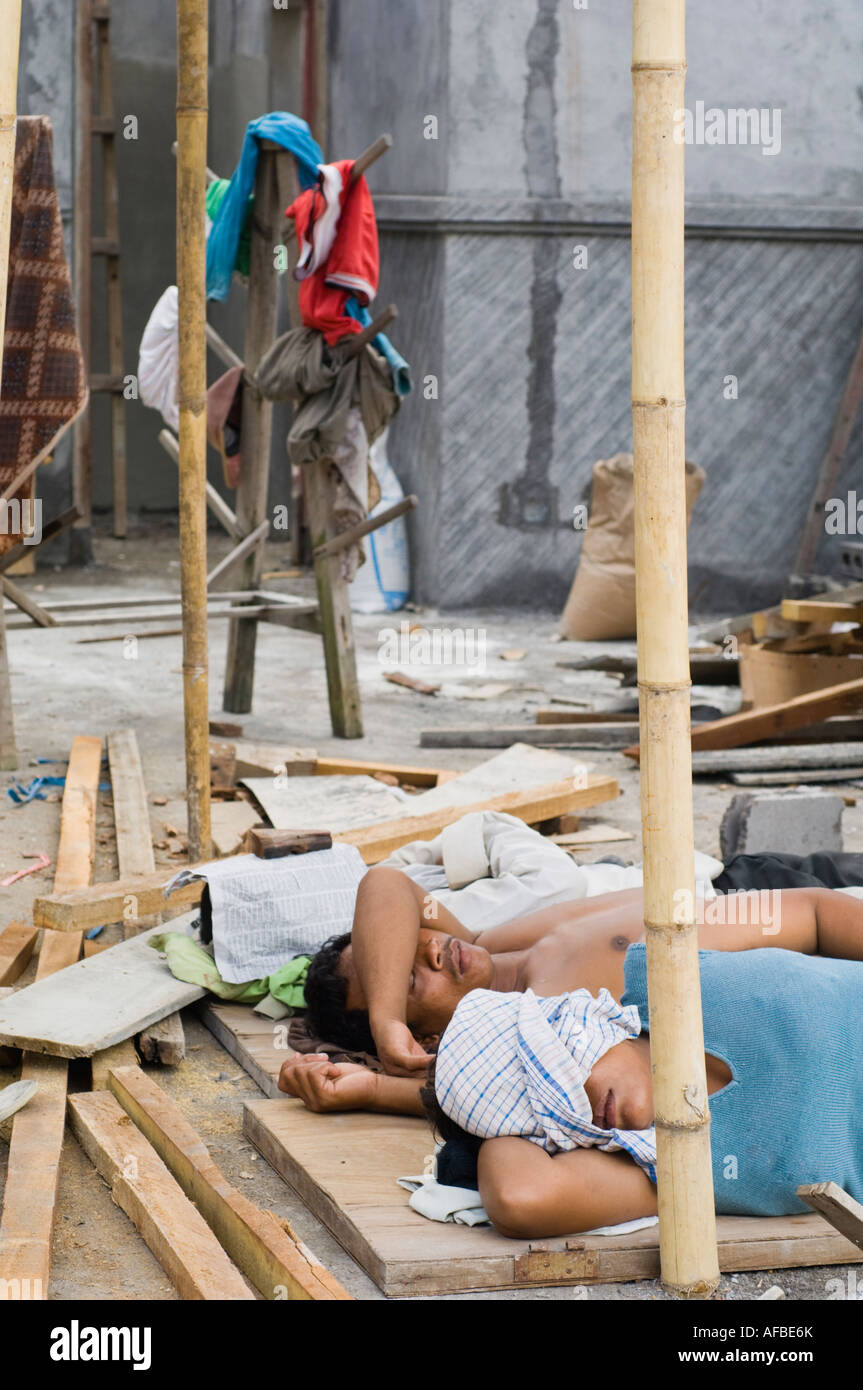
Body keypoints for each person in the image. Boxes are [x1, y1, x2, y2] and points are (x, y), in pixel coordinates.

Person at [278, 859, 863, 1116]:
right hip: (814, 938)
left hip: (777, 893)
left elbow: (386, 884)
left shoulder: (493, 942)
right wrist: (382, 1071)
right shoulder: (551, 1019)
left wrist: (386, 1016)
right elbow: (489, 1091)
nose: (432, 949)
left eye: (415, 941)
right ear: (425, 1037)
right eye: (411, 979)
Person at [419, 942, 863, 1237]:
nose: (579, 1115)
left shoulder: (667, 970)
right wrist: (484, 1128)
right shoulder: (669, 1164)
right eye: (541, 1130)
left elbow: (815, 914)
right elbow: (521, 1196)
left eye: (549, 1079)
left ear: (572, 1024)